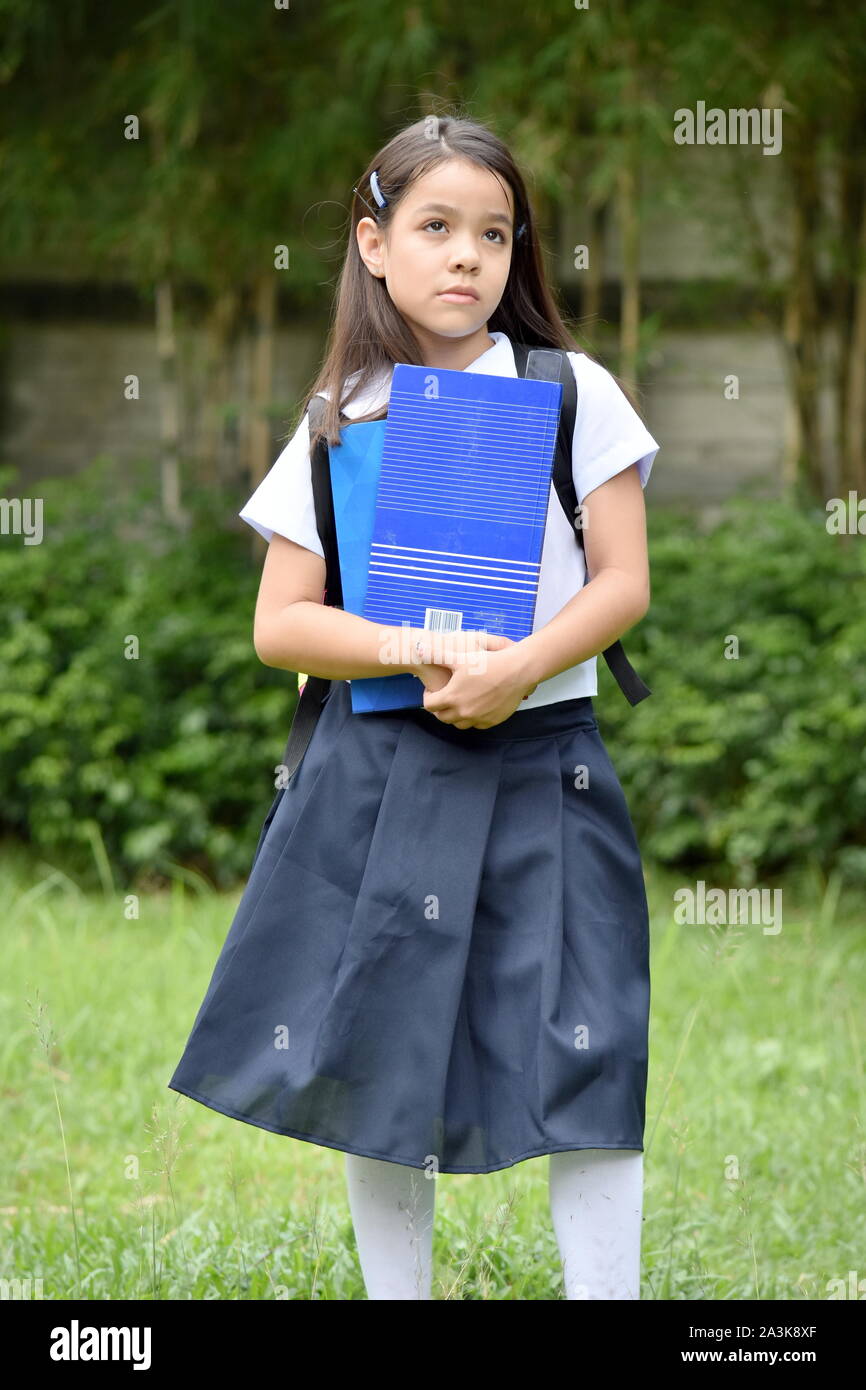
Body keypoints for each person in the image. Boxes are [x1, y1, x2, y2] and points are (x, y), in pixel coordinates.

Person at [168, 113, 660, 1301]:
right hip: (379, 768)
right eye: (434, 227)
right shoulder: (343, 412)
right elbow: (280, 623)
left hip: (549, 759)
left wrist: (517, 668)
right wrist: (416, 643)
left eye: (492, 233)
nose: (465, 256)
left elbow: (625, 584)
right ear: (371, 243)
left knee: (588, 1049)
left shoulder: (568, 388)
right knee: (378, 1060)